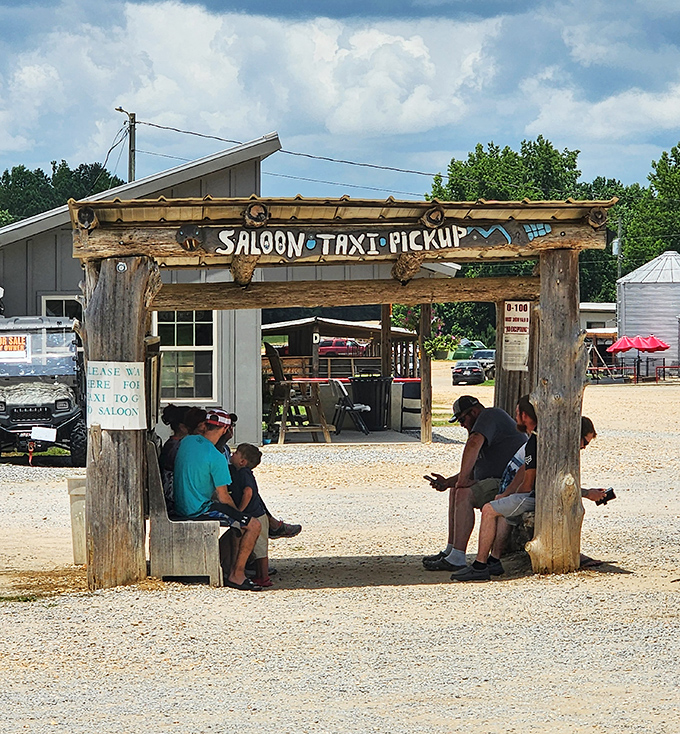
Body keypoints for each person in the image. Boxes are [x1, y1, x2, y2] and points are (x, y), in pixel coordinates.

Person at [452, 410, 607, 582]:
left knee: (489, 510)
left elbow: (529, 478)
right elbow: (527, 474)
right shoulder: (546, 444)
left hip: (538, 497)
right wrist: (508, 496)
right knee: (497, 510)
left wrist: (509, 496)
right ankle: (492, 560)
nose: (584, 447)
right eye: (584, 442)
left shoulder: (540, 440)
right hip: (538, 496)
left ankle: (481, 565)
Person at [423, 395, 528, 572]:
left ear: (474, 412)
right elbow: (474, 468)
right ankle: (451, 550)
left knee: (463, 493)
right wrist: (448, 482)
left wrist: (462, 481)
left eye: (463, 419)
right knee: (455, 491)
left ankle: (457, 557)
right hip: (497, 481)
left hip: (509, 483)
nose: (462, 425)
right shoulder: (487, 427)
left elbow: (473, 444)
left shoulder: (489, 416)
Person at [173, 408, 263, 591]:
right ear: (225, 430)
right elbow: (223, 497)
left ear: (204, 425)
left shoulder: (187, 442)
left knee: (237, 523)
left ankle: (227, 565)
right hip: (199, 509)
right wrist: (240, 514)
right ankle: (237, 575)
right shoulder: (216, 458)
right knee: (252, 525)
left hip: (181, 504)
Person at [229, 443, 272, 587]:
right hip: (256, 513)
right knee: (258, 548)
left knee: (260, 550)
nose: (231, 455)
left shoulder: (243, 473)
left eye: (236, 453)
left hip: (257, 515)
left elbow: (248, 492)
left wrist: (239, 511)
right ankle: (261, 575)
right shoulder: (241, 472)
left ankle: (264, 577)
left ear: (242, 461)